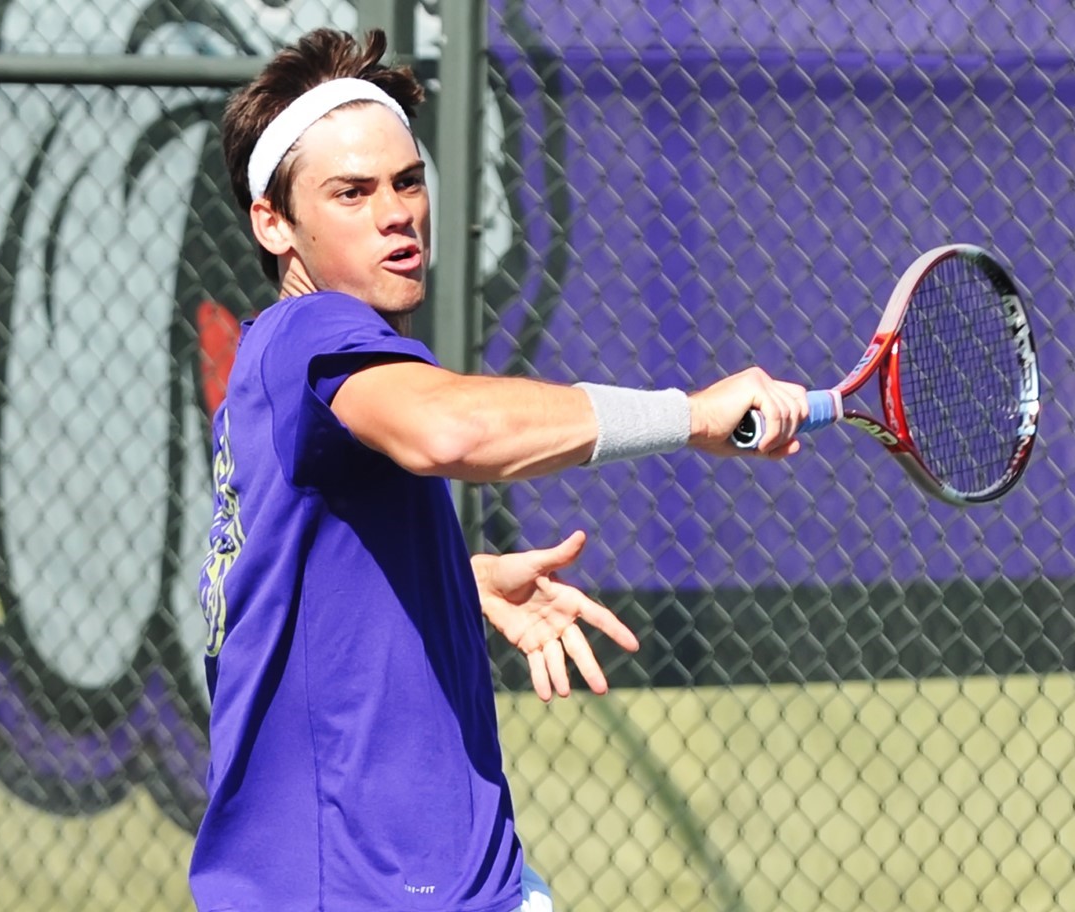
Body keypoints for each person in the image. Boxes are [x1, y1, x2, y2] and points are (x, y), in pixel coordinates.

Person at [190, 27, 808, 912]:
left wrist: (450, 579)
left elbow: (284, 592)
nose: (396, 212)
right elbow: (449, 432)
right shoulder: (314, 334)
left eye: (406, 182)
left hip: (447, 880)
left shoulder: (274, 369)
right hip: (367, 892)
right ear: (274, 223)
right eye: (351, 193)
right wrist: (690, 414)